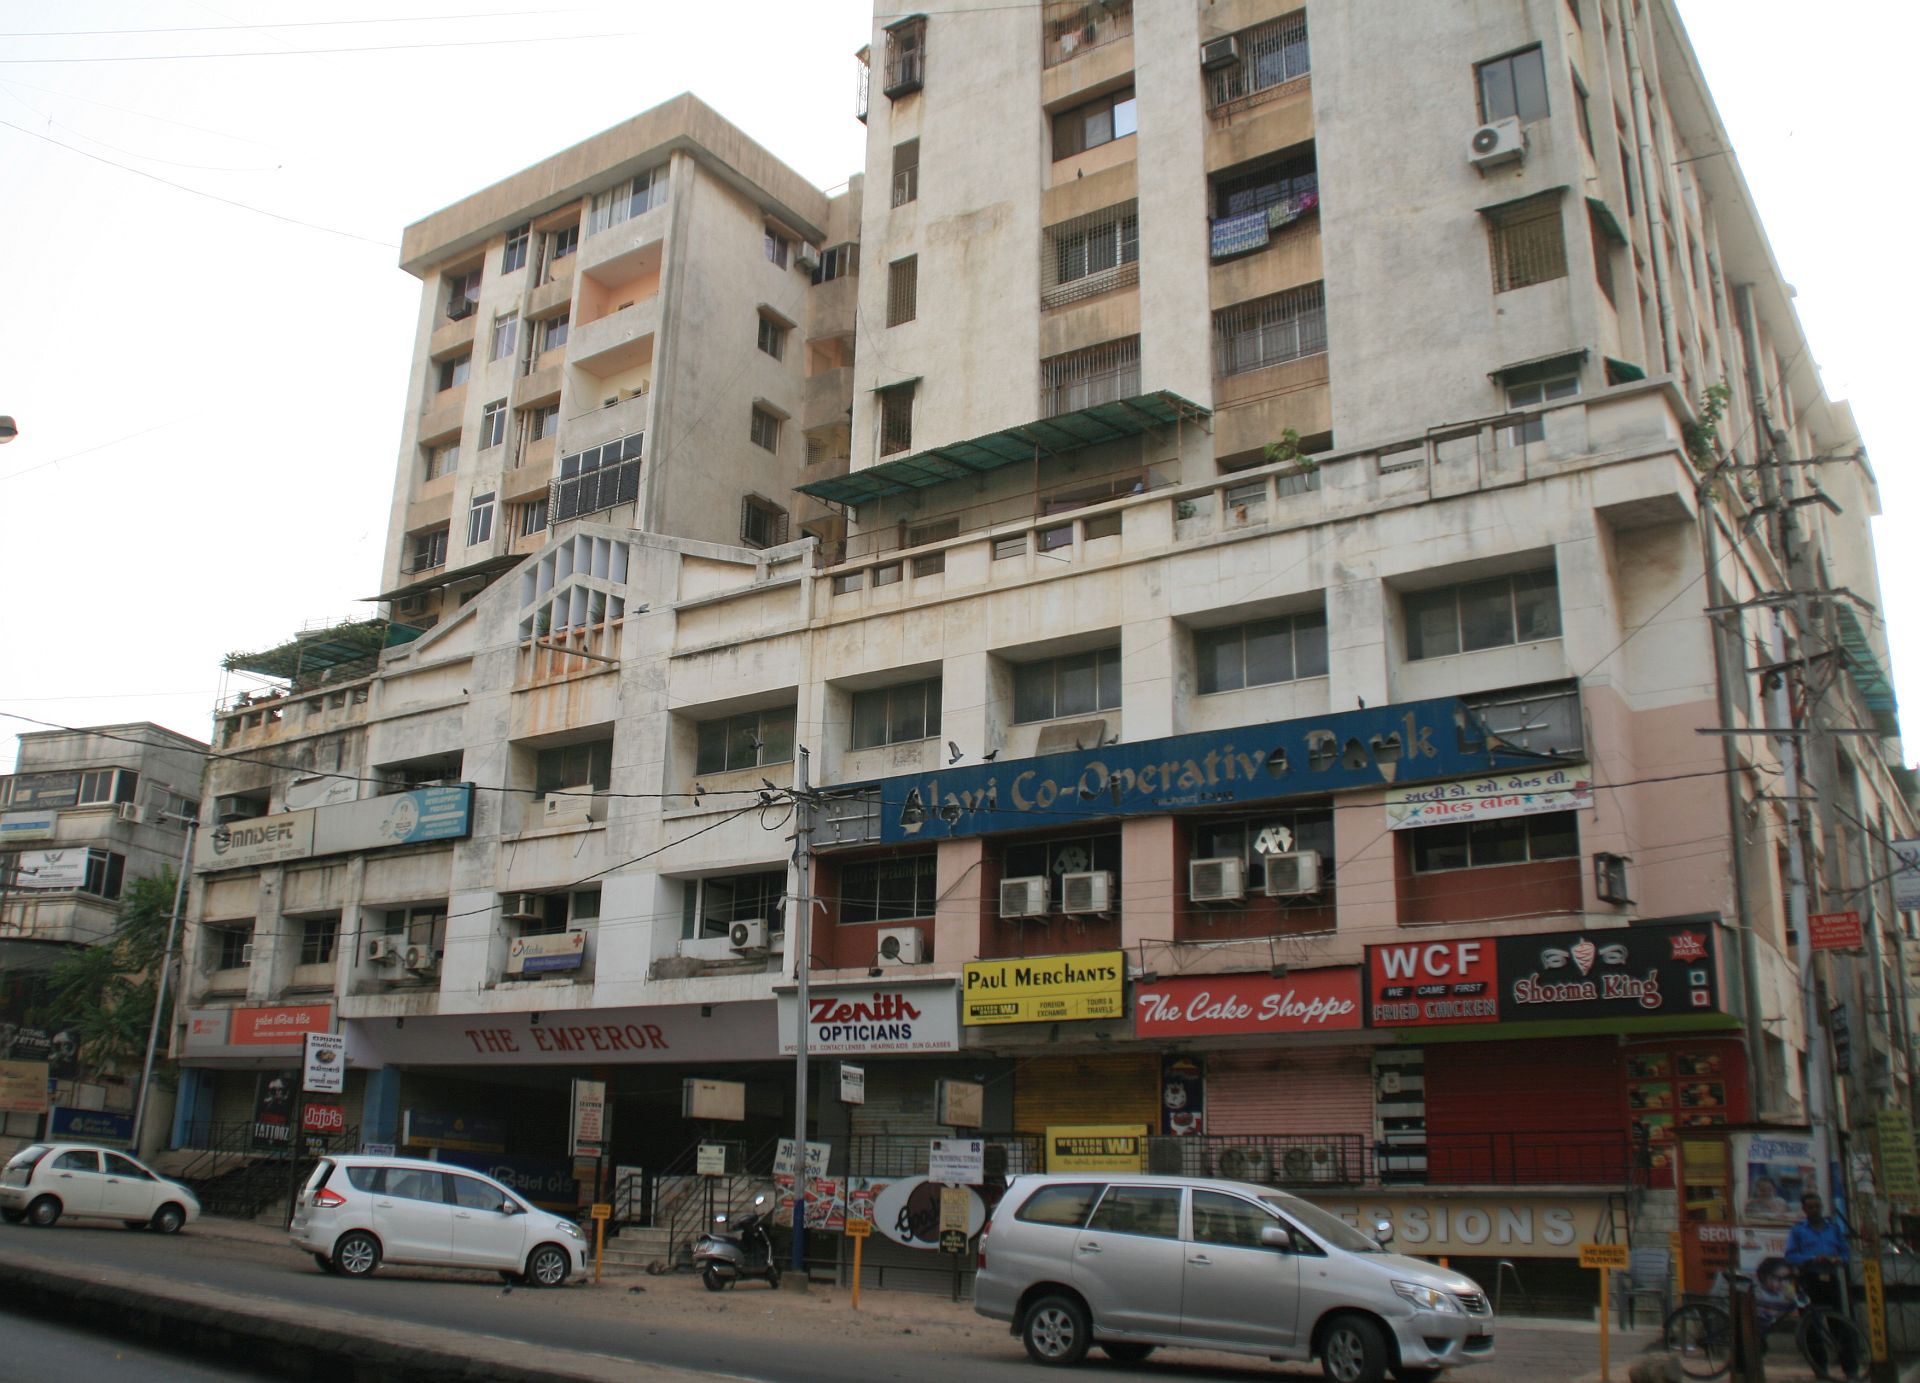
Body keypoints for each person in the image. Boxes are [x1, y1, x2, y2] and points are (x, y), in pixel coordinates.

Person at [1786, 1193, 1860, 1379]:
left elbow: (1845, 1253)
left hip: (1831, 1280)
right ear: (1804, 1210)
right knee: (1812, 1327)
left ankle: (1850, 1370)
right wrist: (1811, 1259)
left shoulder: (1833, 1229)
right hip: (1809, 1281)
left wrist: (1837, 1260)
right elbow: (1790, 1256)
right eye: (1810, 1207)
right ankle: (1821, 1370)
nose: (1814, 1210)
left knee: (1839, 1324)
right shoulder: (1798, 1231)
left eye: (1817, 1206)